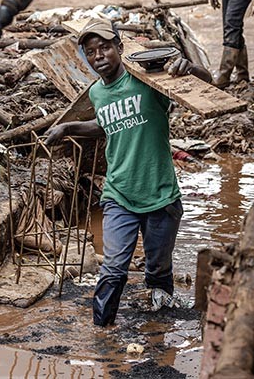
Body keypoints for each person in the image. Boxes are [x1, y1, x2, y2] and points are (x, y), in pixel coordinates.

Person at [46, 19, 211, 326]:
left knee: (158, 270)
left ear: (120, 48)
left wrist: (191, 69)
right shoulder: (97, 94)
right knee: (113, 269)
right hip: (119, 193)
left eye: (105, 47)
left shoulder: (149, 81)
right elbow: (105, 125)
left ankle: (159, 334)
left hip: (160, 193)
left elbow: (208, 87)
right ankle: (102, 333)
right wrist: (68, 127)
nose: (99, 56)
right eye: (91, 51)